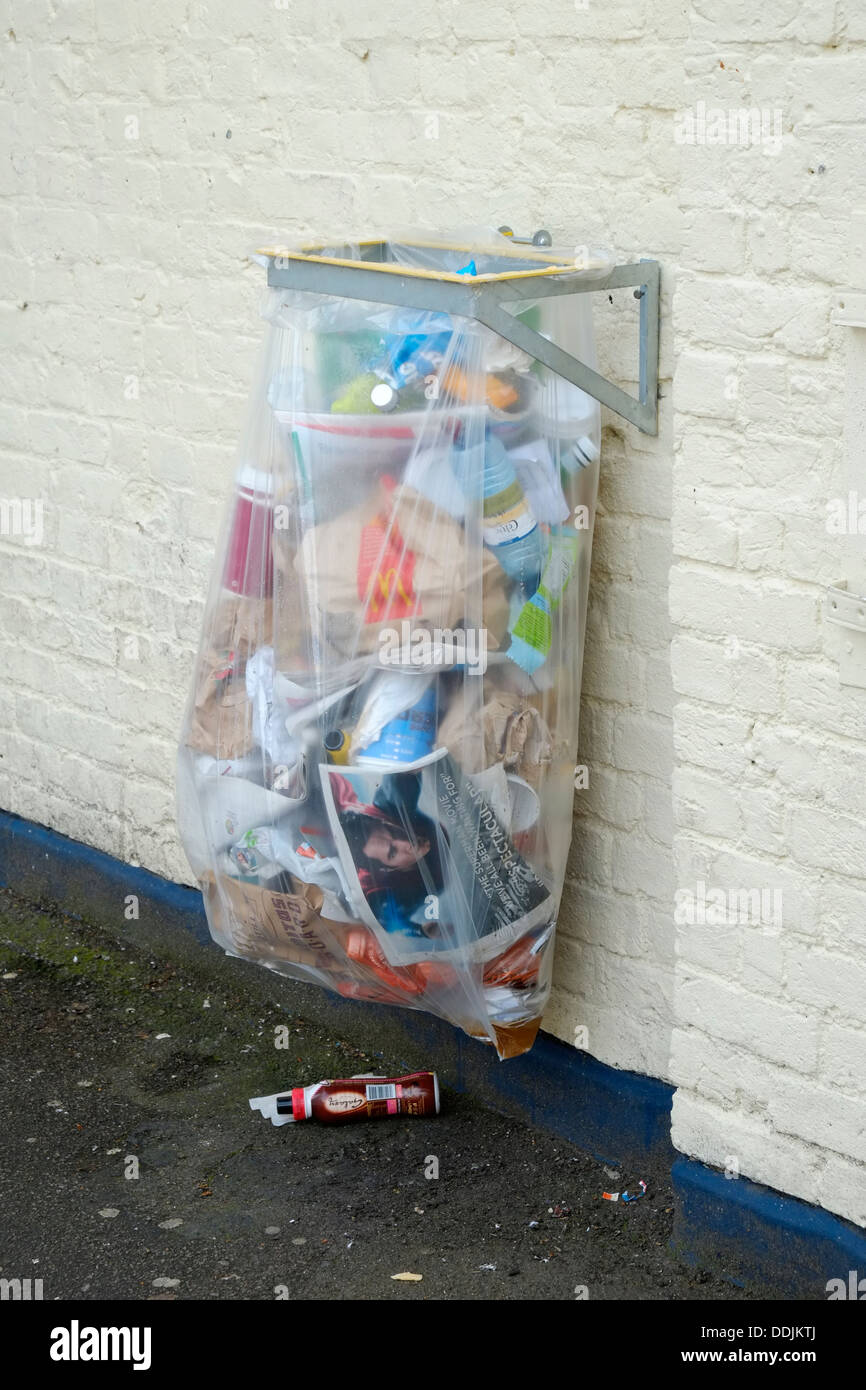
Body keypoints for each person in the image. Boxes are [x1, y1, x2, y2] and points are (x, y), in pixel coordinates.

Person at [329, 770, 445, 942]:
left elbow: (397, 784)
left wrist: (407, 771)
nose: (407, 842)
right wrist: (420, 931)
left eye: (393, 831)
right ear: (386, 868)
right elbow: (391, 920)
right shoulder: (384, 893)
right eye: (392, 852)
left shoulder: (390, 809)